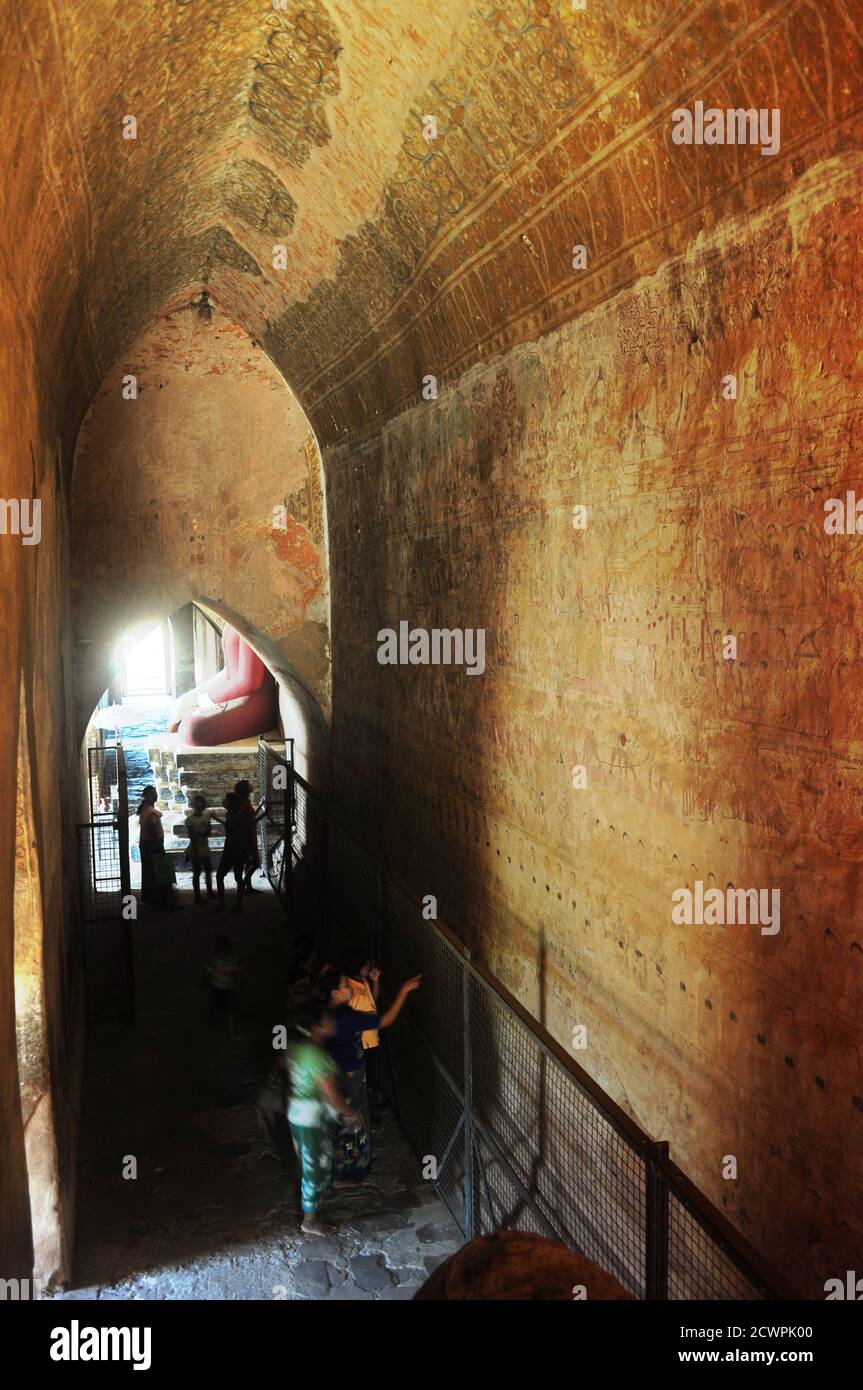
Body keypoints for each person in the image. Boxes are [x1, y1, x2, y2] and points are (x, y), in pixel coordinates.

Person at [319, 966, 422, 1183]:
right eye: (345, 986)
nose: (351, 988)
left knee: (336, 1119)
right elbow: (384, 1021)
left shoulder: (326, 1012)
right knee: (354, 1121)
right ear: (335, 993)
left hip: (333, 1075)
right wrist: (404, 990)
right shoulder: (347, 1017)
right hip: (350, 1077)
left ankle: (333, 1166)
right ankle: (353, 1169)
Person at [285, 1002, 362, 1237]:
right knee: (314, 1169)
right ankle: (309, 1220)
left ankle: (323, 1188)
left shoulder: (299, 1046)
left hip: (298, 1112)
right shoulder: (317, 1057)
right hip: (309, 1117)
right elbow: (333, 1096)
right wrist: (351, 1114)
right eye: (328, 1018)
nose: (332, 1021)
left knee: (314, 1157)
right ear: (317, 1027)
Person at [213, 792, 246, 913]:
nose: (223, 801)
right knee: (237, 877)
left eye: (226, 800)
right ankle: (237, 904)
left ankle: (224, 903)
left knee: (221, 875)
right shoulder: (232, 814)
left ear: (231, 804)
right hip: (236, 850)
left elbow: (233, 830)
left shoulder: (235, 816)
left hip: (233, 850)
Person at [205, 935, 240, 1038]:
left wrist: (209, 970)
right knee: (230, 1012)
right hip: (229, 988)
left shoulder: (215, 959)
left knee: (217, 1008)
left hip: (218, 987)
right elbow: (235, 972)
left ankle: (217, 1027)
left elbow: (212, 973)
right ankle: (231, 1030)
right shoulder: (232, 959)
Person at [234, 779, 265, 892]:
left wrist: (261, 805)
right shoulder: (245, 804)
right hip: (248, 836)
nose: (251, 786)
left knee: (248, 863)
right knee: (255, 863)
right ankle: (244, 885)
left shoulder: (243, 802)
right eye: (249, 785)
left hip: (246, 834)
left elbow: (251, 817)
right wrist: (265, 813)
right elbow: (253, 821)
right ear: (245, 790)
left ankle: (249, 887)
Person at [183, 795, 215, 902]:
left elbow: (208, 832)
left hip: (204, 847)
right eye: (198, 802)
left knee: (208, 870)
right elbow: (193, 836)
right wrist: (195, 850)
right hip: (196, 847)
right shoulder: (190, 820)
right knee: (197, 872)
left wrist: (200, 833)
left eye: (201, 802)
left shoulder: (204, 818)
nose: (200, 805)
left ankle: (208, 893)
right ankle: (197, 896)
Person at [137, 785, 163, 905]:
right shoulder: (150, 810)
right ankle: (154, 898)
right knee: (153, 871)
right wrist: (157, 844)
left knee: (148, 870)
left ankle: (149, 897)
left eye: (155, 792)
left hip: (145, 843)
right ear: (148, 796)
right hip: (151, 843)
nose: (156, 795)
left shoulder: (145, 808)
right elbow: (151, 826)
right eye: (153, 793)